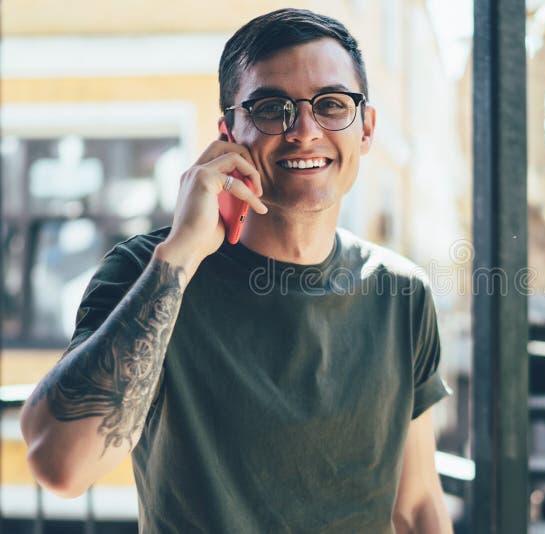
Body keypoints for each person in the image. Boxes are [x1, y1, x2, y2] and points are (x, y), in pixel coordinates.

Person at [20, 8, 453, 533]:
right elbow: (60, 466)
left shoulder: (400, 294)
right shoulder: (149, 272)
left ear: (366, 129)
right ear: (228, 133)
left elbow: (418, 507)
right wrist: (181, 254)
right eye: (272, 108)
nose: (304, 131)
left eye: (333, 105)